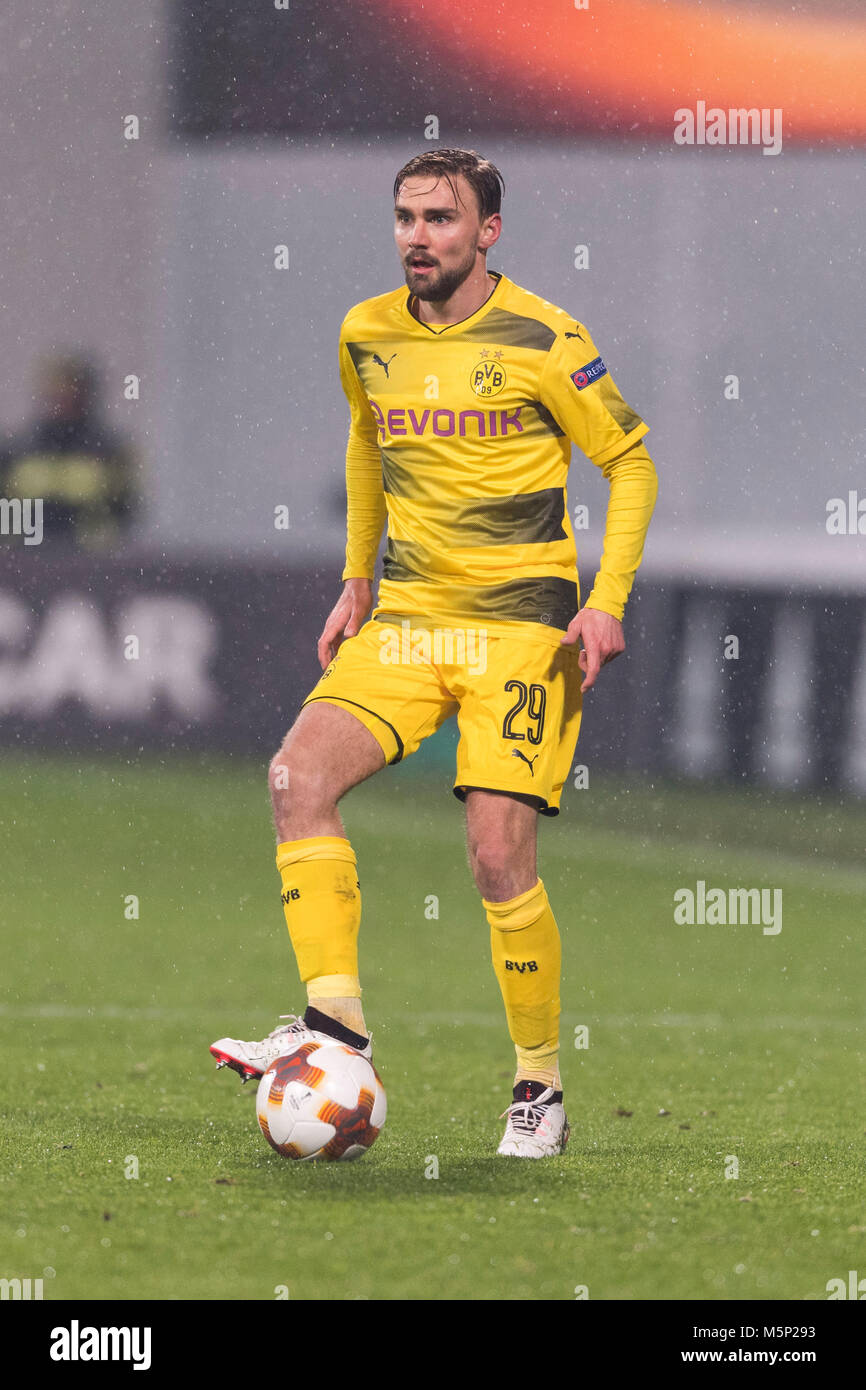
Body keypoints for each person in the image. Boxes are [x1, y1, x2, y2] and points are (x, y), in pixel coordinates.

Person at [211, 149, 658, 1157]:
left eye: (441, 220)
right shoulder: (365, 331)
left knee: (497, 851)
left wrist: (606, 600)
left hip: (519, 631)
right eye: (407, 217)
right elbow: (366, 442)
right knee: (295, 777)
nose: (419, 235)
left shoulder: (547, 337)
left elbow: (627, 460)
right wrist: (355, 576)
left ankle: (537, 1085)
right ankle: (335, 1029)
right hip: (408, 620)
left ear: (485, 232)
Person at [0, 353, 137, 549]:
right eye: (54, 391)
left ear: (85, 395)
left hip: (91, 566)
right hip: (27, 563)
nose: (60, 399)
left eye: (69, 390)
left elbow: (125, 511)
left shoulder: (110, 452)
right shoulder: (16, 451)